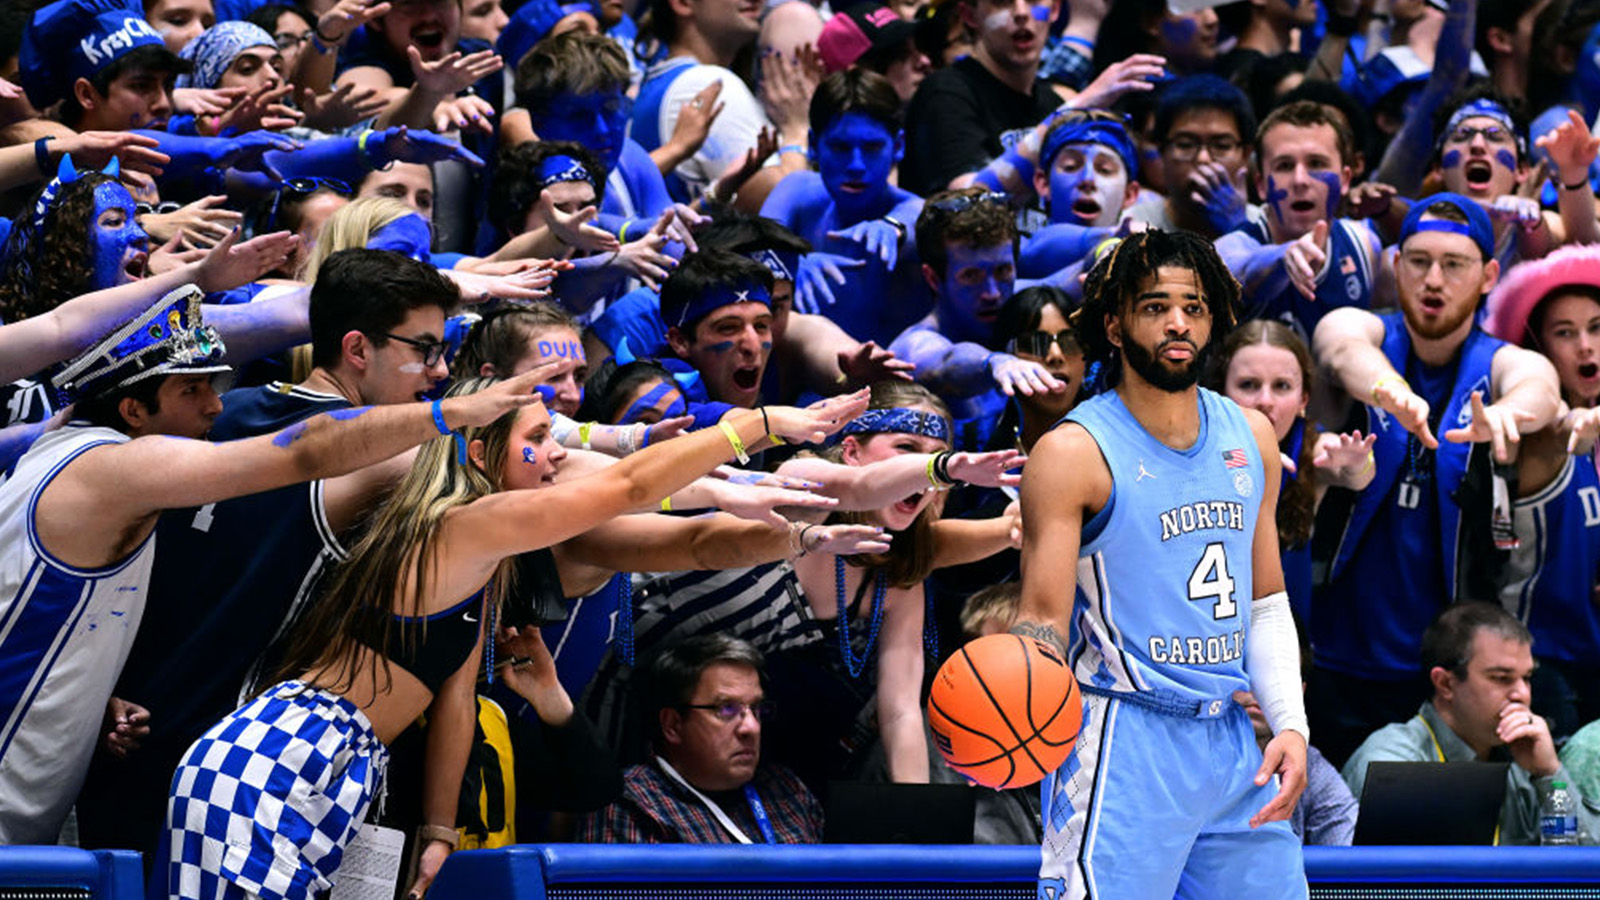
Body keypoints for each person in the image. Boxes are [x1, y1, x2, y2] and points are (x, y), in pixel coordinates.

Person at [161, 382, 869, 898]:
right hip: (277, 757)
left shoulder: (486, 563)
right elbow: (625, 484)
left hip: (349, 771)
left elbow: (456, 701)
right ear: (478, 452)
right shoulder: (456, 527)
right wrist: (760, 424)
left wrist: (439, 830)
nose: (553, 458)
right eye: (536, 441)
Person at [0, 284, 551, 844]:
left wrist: (99, 690)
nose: (216, 405)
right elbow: (304, 450)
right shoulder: (115, 467)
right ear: (133, 410)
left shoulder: (55, 447)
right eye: (191, 390)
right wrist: (450, 413)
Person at [1012, 229, 1309, 899]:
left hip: (1233, 739)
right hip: (1120, 737)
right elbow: (1041, 625)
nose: (1178, 321)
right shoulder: (1071, 453)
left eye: (1194, 306)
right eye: (1154, 306)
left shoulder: (1252, 434)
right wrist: (1018, 699)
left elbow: (1265, 601)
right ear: (1114, 325)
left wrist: (1289, 722)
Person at [1311, 194, 1562, 767]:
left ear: (1488, 275)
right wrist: (1389, 392)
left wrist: (1510, 414)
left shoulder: (1498, 363)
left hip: (1448, 686)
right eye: (1419, 261)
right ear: (1396, 266)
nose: (1433, 279)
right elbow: (1337, 343)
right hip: (1336, 660)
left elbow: (1539, 384)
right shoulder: (1371, 335)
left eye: (1454, 264)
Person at [1341, 603, 1600, 845]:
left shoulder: (1526, 763)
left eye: (1527, 678)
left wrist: (1549, 775)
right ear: (1445, 684)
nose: (1522, 694)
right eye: (1502, 678)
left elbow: (1584, 867)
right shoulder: (1391, 763)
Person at [1481, 244, 1600, 741]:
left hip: (1590, 649)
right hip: (1539, 662)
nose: (1586, 347)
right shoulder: (1541, 433)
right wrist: (1577, 421)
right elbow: (1561, 425)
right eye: (1565, 333)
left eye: (1596, 328)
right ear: (1541, 349)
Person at [575, 634, 824, 843]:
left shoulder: (786, 789)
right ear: (673, 725)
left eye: (756, 709)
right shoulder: (632, 805)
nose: (751, 728)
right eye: (726, 709)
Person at [1209, 321, 1376, 624]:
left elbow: (1358, 475)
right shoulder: (1195, 448)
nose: (1265, 401)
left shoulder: (1314, 449)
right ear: (1221, 391)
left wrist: (1355, 463)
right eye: (1248, 385)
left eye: (1281, 386)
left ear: (1304, 399)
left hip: (1289, 642)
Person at [760, 68, 928, 345]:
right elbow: (751, 246)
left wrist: (892, 229)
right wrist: (788, 266)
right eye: (840, 148)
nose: (856, 166)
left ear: (897, 145)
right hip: (807, 382)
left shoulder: (912, 210)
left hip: (901, 383)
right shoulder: (798, 191)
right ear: (813, 145)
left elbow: (919, 220)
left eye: (872, 148)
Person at [889, 188, 1065, 450]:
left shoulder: (1017, 298)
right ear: (933, 278)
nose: (992, 293)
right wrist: (993, 362)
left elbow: (1077, 274)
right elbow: (946, 364)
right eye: (971, 276)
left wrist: (1107, 248)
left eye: (1003, 270)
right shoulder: (915, 343)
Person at [1216, 100, 1381, 344]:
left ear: (1345, 179)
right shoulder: (1229, 248)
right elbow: (1241, 270)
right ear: (1261, 185)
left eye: (1316, 164)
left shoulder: (1364, 245)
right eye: (1284, 166)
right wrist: (1284, 257)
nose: (1300, 180)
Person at [899, 0, 1063, 195]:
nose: (1021, 12)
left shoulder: (1053, 105)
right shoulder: (945, 94)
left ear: (1054, 9)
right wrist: (1082, 105)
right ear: (970, 15)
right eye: (1003, 2)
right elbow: (969, 198)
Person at [1126, 75, 1267, 242]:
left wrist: (1238, 228)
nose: (1203, 159)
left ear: (1245, 155)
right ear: (1162, 151)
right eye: (1185, 145)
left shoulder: (1266, 228)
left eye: (1221, 146)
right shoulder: (1130, 225)